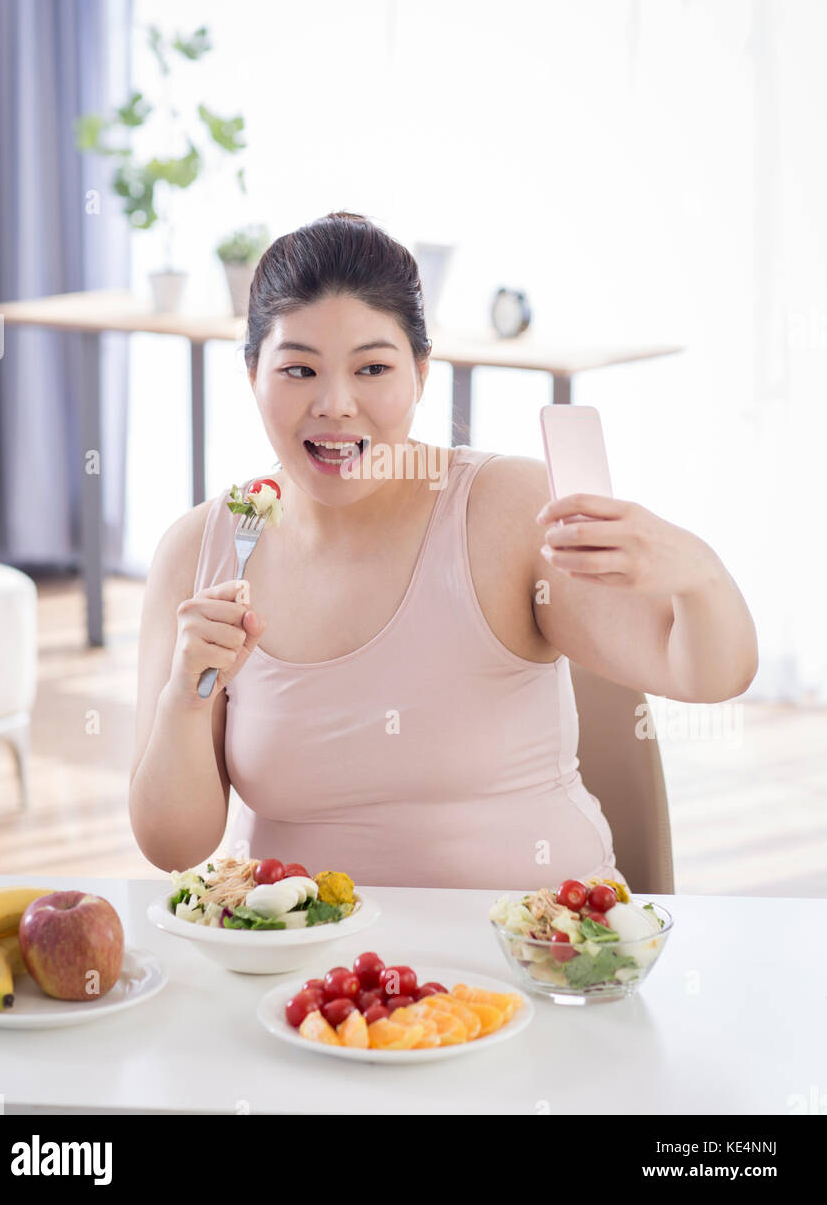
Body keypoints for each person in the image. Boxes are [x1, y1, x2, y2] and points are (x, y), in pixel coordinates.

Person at [130, 211, 758, 890]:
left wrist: (698, 576)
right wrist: (186, 700)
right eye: (298, 369)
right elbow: (172, 847)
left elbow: (705, 674)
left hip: (532, 955)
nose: (336, 403)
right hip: (315, 976)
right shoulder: (200, 551)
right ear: (253, 372)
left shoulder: (509, 510)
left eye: (373, 367)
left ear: (422, 374)